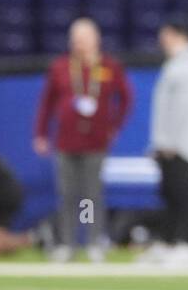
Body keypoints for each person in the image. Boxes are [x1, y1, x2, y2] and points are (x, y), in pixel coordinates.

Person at [34, 17, 133, 262]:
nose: (79, 44)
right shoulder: (61, 67)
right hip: (66, 141)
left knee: (91, 194)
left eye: (84, 38)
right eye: (76, 39)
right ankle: (67, 243)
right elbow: (47, 103)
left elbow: (126, 99)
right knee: (67, 194)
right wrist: (41, 133)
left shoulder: (109, 66)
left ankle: (93, 241)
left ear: (95, 39)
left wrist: (114, 126)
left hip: (95, 141)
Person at [143, 19, 188, 265]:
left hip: (178, 142)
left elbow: (184, 108)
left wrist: (170, 141)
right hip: (169, 141)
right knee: (169, 192)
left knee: (182, 191)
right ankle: (169, 241)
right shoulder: (177, 63)